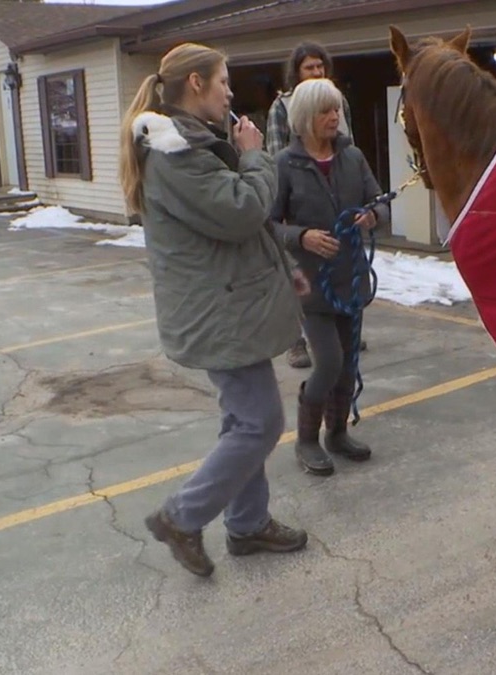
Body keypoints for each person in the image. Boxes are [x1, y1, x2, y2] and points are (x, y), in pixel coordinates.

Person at [118, 42, 309, 576]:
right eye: (223, 81)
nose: (230, 92)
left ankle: (247, 524)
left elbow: (239, 228)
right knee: (260, 423)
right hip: (219, 312)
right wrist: (255, 155)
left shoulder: (193, 143)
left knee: (241, 421)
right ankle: (181, 518)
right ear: (196, 83)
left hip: (229, 303)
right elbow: (242, 209)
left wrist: (284, 265)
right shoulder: (176, 153)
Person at [271, 77, 388, 476]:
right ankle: (307, 439)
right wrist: (302, 236)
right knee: (329, 363)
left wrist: (372, 215)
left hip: (350, 279)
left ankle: (337, 433)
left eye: (336, 108)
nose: (334, 116)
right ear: (305, 117)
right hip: (310, 284)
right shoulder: (285, 165)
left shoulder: (353, 157)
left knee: (349, 364)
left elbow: (379, 202)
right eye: (325, 110)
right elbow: (268, 224)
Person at [266, 41, 363, 369]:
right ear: (297, 72)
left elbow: (348, 142)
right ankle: (296, 341)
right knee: (298, 277)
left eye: (320, 66)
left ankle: (340, 324)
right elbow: (277, 154)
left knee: (338, 266)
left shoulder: (338, 101)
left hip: (333, 190)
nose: (316, 71)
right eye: (309, 67)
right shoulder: (282, 107)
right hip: (298, 199)